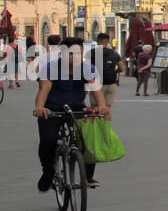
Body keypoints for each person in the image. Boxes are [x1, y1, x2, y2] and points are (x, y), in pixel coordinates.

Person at [33, 37, 109, 191]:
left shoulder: (87, 68)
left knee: (89, 139)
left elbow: (96, 91)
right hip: (52, 109)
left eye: (79, 53)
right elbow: (43, 90)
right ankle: (48, 171)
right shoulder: (50, 68)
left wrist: (101, 106)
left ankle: (87, 175)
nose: (76, 57)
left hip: (77, 108)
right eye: (71, 54)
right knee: (48, 141)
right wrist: (40, 107)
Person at [93, 33, 123, 110]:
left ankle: (97, 122)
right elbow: (122, 68)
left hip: (96, 84)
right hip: (111, 84)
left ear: (97, 41)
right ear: (108, 41)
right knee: (107, 108)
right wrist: (115, 71)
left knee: (95, 108)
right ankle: (105, 122)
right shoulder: (114, 53)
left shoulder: (91, 53)